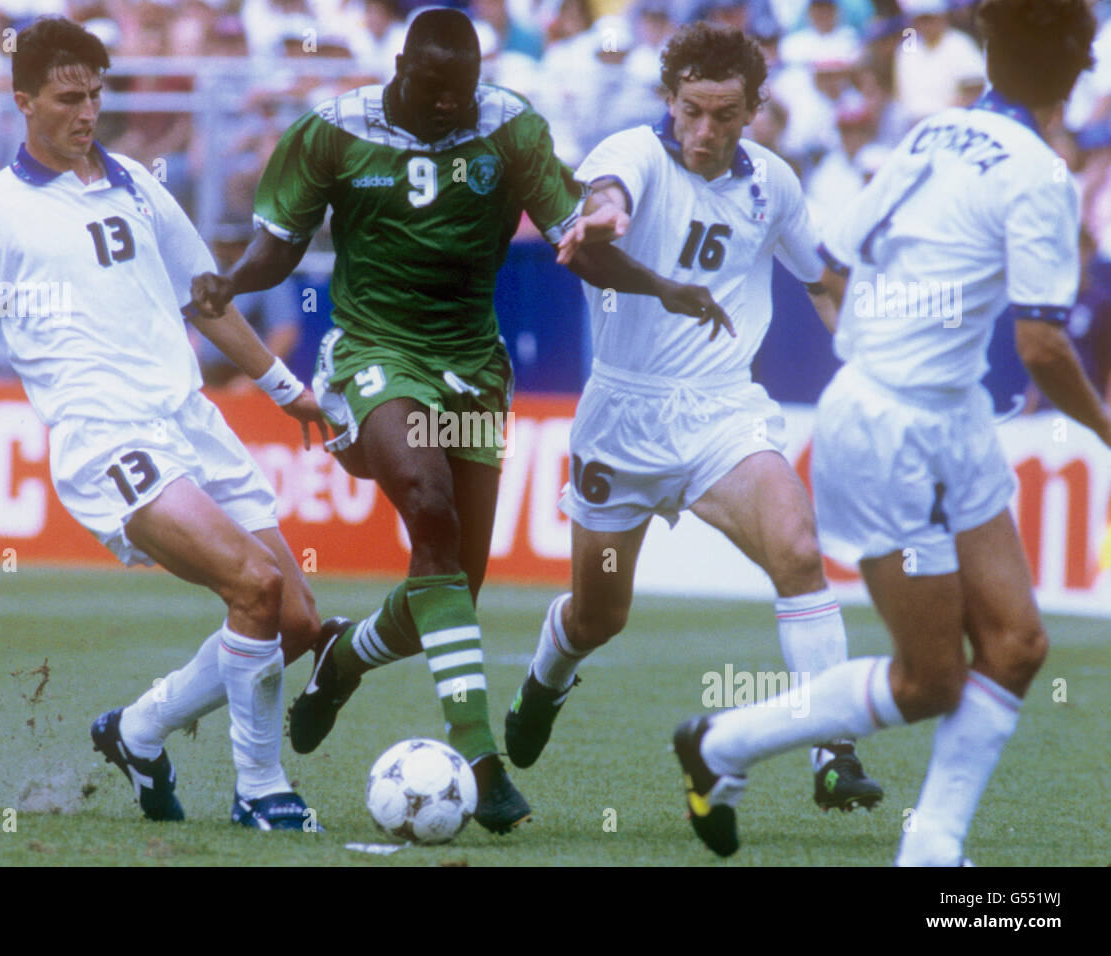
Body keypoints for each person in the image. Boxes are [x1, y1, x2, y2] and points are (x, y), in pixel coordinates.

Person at [189, 7, 730, 834]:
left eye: (466, 90)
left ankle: (343, 657)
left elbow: (574, 240)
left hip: (473, 368)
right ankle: (479, 759)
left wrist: (661, 285)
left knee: (452, 581)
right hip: (376, 356)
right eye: (437, 89)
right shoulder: (332, 133)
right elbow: (281, 244)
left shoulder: (508, 128)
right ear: (400, 66)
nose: (453, 106)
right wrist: (230, 282)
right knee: (427, 498)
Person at [0, 17, 334, 832]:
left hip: (192, 419)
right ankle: (261, 790)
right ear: (23, 101)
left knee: (296, 621)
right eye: (68, 96)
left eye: (97, 94)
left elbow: (206, 300)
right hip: (108, 439)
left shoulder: (140, 186)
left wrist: (287, 387)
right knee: (253, 587)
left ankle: (139, 730)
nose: (88, 112)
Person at [671, 0, 1110, 864]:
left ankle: (932, 848)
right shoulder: (1039, 174)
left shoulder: (933, 132)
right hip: (894, 431)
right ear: (1072, 61)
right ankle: (720, 744)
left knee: (1018, 645)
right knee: (931, 678)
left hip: (948, 412)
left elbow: (836, 259)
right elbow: (1042, 342)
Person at [503, 21, 883, 813]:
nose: (702, 131)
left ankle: (832, 747)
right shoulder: (629, 155)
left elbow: (819, 278)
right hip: (621, 421)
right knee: (599, 614)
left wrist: (869, 360)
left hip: (721, 415)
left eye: (722, 115)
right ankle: (545, 681)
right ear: (669, 100)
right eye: (690, 111)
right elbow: (604, 206)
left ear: (753, 111)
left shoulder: (773, 182)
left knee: (799, 550)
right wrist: (604, 217)